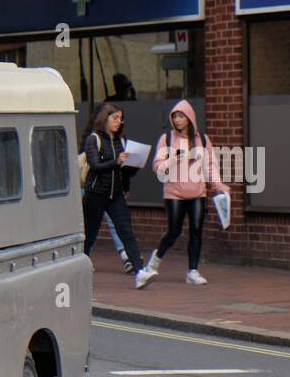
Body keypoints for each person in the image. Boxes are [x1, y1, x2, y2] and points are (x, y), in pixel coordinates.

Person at [143, 100, 230, 285]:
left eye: (181, 116)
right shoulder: (166, 139)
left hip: (198, 193)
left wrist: (219, 186)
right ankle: (154, 262)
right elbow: (157, 167)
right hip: (174, 193)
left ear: (190, 118)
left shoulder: (202, 140)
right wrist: (176, 159)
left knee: (196, 232)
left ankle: (193, 271)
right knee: (174, 231)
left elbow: (210, 167)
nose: (177, 120)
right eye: (175, 116)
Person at [82, 102, 153, 289]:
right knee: (90, 234)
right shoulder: (94, 139)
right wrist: (116, 161)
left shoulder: (121, 141)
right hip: (95, 194)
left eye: (120, 119)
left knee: (127, 232)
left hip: (116, 195)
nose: (118, 122)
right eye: (115, 118)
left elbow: (122, 171)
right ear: (105, 118)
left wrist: (134, 167)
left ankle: (140, 272)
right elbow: (96, 166)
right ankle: (79, 268)